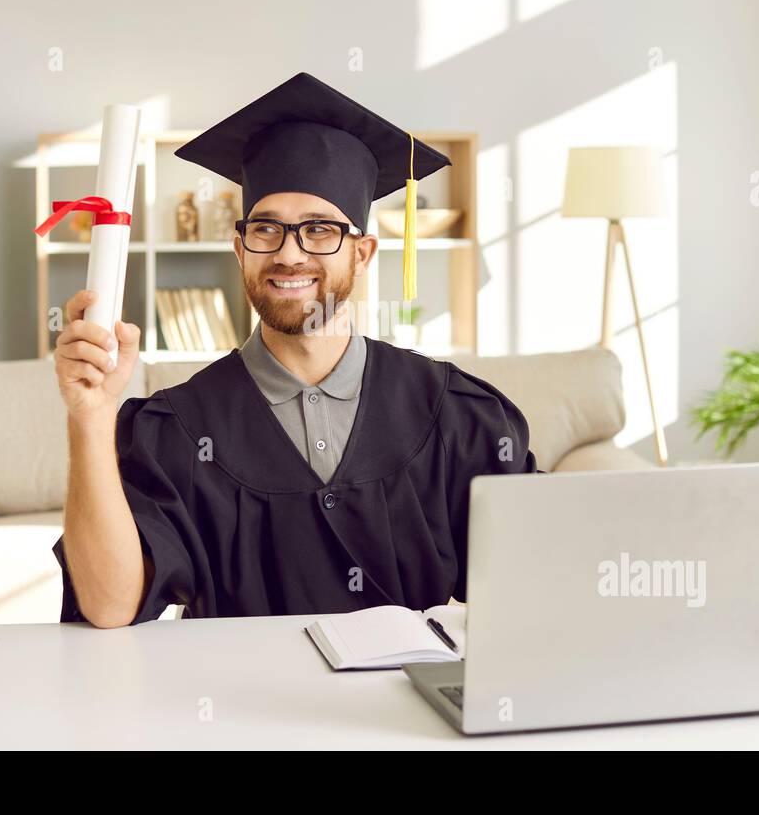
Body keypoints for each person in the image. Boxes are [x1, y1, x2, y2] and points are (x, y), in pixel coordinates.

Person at [52, 72, 537, 627]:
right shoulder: (178, 428)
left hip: (406, 710)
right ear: (240, 249)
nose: (289, 254)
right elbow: (111, 605)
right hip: (234, 710)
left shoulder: (455, 412)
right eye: (266, 229)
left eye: (321, 230)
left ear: (363, 253)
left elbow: (537, 582)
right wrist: (88, 418)